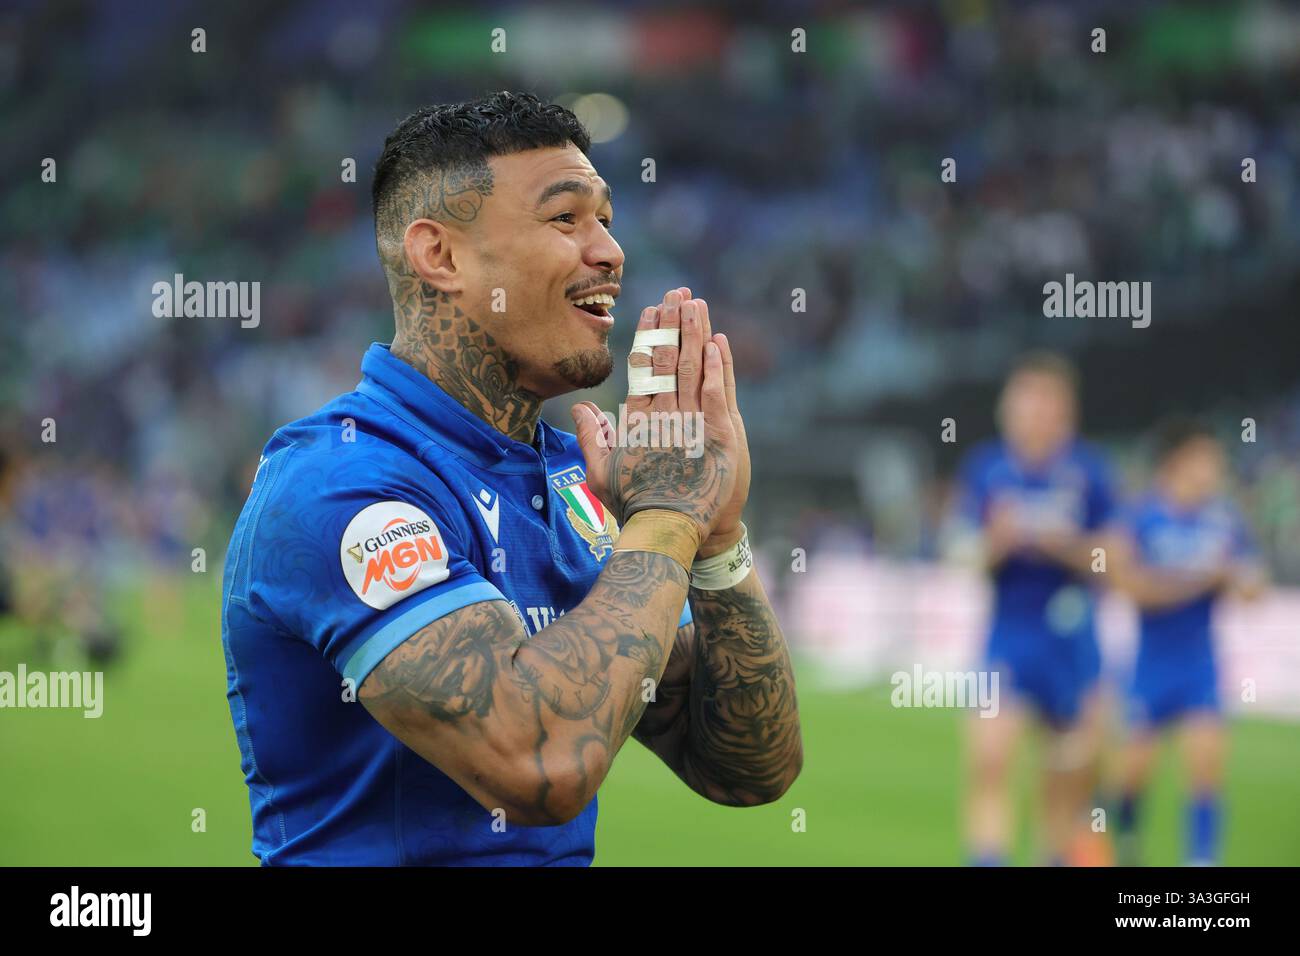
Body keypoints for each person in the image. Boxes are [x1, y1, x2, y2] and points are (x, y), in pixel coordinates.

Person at [220, 91, 802, 865]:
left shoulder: (578, 482)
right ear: (442, 256)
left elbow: (748, 766)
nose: (609, 251)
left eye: (607, 221)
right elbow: (538, 766)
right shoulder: (342, 480)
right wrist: (665, 517)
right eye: (566, 219)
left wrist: (716, 537)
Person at [948, 353, 1116, 865]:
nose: (1032, 412)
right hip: (1009, 635)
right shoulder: (986, 469)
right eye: (1023, 400)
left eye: (1045, 401)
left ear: (1064, 409)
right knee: (990, 761)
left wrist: (1062, 545)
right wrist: (996, 542)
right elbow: (962, 555)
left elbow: (1113, 562)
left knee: (1067, 783)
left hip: (1073, 641)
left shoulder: (1090, 472)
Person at [1107, 420, 1267, 866]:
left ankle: (1202, 862)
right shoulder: (1140, 517)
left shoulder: (1225, 520)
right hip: (1150, 665)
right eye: (1205, 458)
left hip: (1201, 665)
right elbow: (1132, 587)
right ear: (1178, 461)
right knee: (1131, 776)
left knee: (1206, 769)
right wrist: (1201, 580)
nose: (1214, 469)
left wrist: (1241, 580)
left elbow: (1254, 586)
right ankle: (1125, 845)